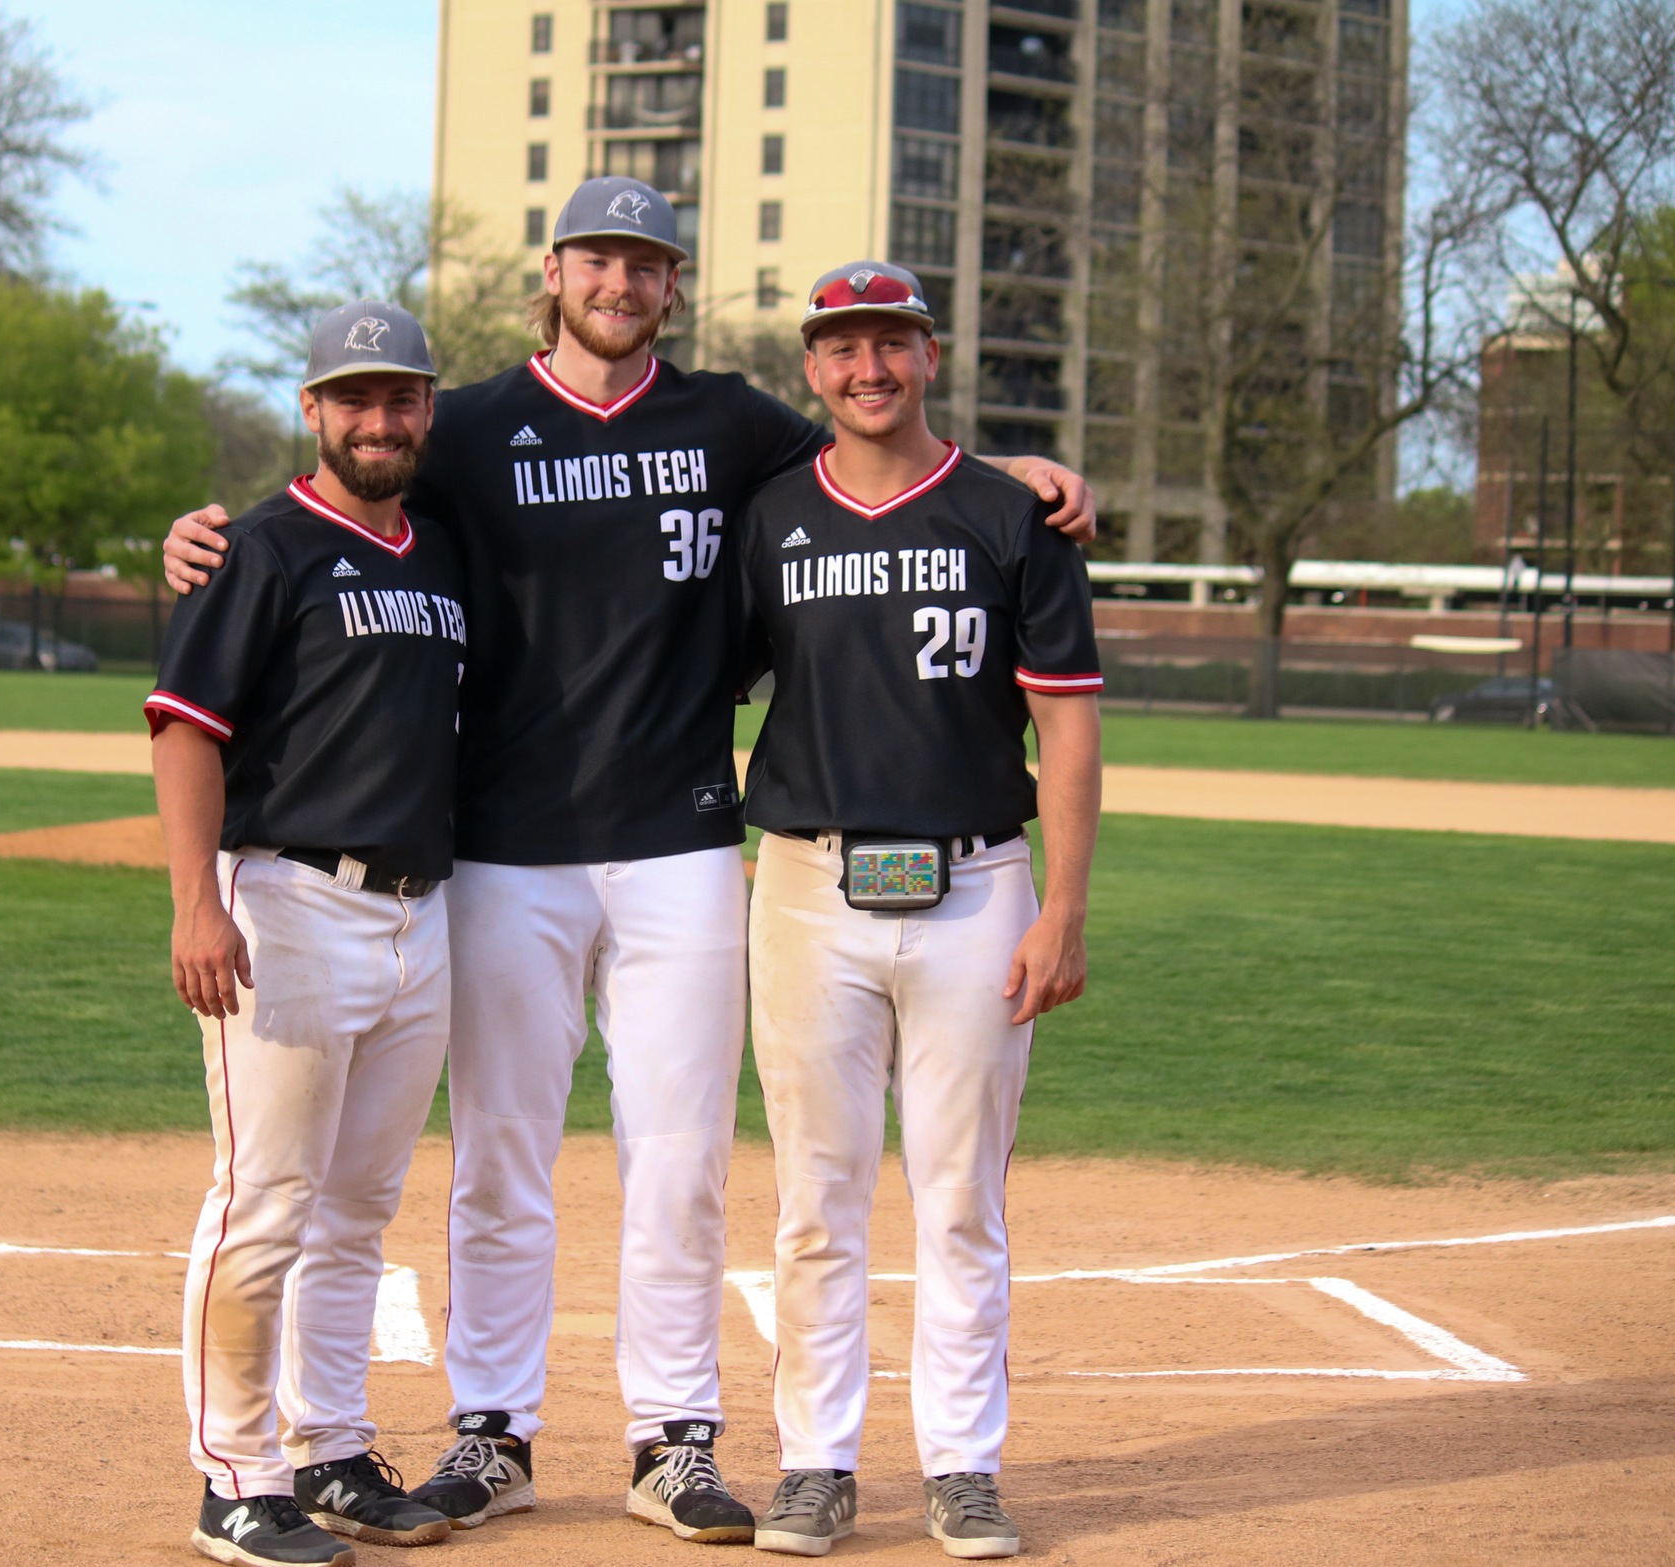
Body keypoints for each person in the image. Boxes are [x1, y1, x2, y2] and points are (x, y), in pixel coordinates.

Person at [159, 177, 1098, 1547]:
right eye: (597, 256)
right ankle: (491, 1429)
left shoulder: (730, 421)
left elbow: (883, 454)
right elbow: (330, 496)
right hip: (501, 848)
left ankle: (673, 1433)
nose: (619, 279)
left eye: (645, 261)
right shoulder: (466, 422)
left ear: (670, 282)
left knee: (678, 1155)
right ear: (554, 272)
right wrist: (205, 534)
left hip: (680, 840)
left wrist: (1032, 480)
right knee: (497, 1153)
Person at [733, 262, 1103, 1561]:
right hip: (804, 882)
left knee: (959, 1196)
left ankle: (961, 1465)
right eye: (841, 348)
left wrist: (1060, 910)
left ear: (927, 355)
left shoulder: (1009, 519)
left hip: (974, 884)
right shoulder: (771, 514)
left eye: (888, 343)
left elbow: (1064, 725)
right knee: (814, 1197)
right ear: (811, 366)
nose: (865, 368)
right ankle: (814, 1462)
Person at [151, 300, 470, 1567]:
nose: (378, 420)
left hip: (417, 917)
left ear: (426, 413)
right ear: (313, 411)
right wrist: (193, 901)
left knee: (357, 1210)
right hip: (286, 904)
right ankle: (234, 1475)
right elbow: (185, 727)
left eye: (399, 399)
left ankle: (332, 1448)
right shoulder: (259, 549)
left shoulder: (440, 554)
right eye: (355, 398)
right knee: (264, 1200)